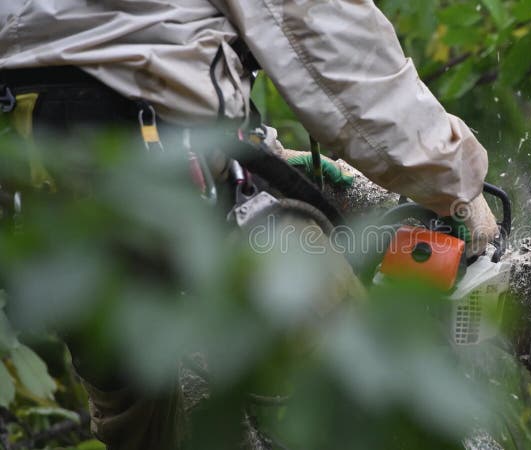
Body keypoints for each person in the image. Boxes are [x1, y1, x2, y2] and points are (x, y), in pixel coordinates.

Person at [0, 1, 499, 449]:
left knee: (137, 420)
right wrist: (453, 181)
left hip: (36, 180)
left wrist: (263, 156)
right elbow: (326, 37)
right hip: (158, 154)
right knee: (358, 389)